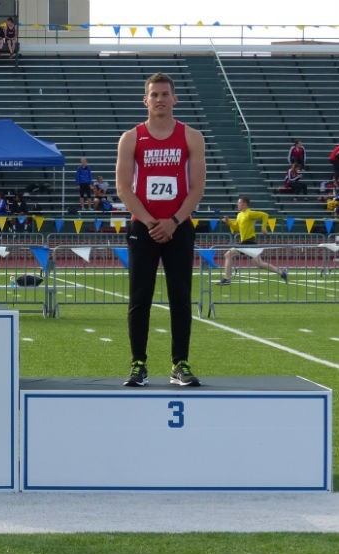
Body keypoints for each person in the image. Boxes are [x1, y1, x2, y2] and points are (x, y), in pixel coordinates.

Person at [116, 71, 206, 388]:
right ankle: (138, 364)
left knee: (180, 297)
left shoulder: (191, 137)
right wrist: (151, 221)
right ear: (145, 100)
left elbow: (197, 187)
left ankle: (180, 363)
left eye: (165, 94)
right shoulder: (131, 138)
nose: (160, 99)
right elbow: (123, 188)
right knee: (139, 298)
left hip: (179, 227)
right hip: (143, 228)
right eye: (154, 94)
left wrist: (174, 221)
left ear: (174, 99)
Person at [218, 196, 287, 286]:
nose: (237, 204)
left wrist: (263, 228)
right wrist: (229, 222)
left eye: (239, 203)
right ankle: (282, 272)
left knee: (228, 254)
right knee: (259, 264)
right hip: (245, 242)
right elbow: (236, 228)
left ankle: (227, 278)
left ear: (244, 204)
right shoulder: (239, 215)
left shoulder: (249, 213)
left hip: (249, 242)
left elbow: (265, 215)